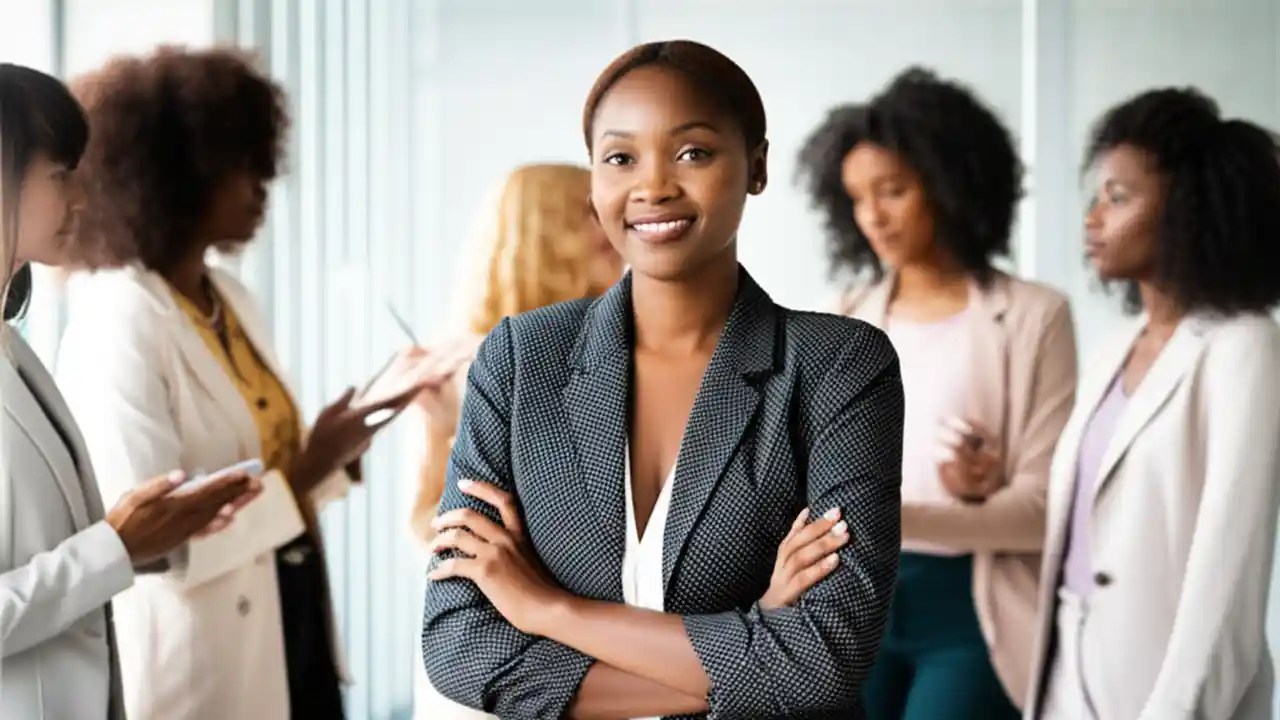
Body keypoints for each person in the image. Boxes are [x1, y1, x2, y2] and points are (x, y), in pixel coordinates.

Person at [422, 40, 904, 719]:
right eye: (621, 158)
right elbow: (459, 648)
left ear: (756, 166)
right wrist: (756, 640)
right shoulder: (521, 358)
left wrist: (544, 607)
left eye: (693, 153)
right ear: (593, 182)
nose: (653, 186)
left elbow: (825, 660)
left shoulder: (838, 365)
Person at [54, 48, 428, 720]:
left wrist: (338, 445)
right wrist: (312, 467)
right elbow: (151, 541)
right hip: (201, 661)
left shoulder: (229, 296)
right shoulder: (120, 316)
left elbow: (267, 464)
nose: (261, 186)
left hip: (293, 613)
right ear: (176, 176)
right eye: (242, 167)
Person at [796, 68, 1077, 718]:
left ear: (950, 183)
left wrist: (888, 515)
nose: (874, 216)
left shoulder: (1036, 317)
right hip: (848, 607)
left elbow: (1042, 513)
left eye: (893, 190)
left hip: (971, 615)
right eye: (857, 197)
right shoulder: (838, 317)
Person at [0, 62, 259, 720]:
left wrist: (142, 537)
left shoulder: (14, 347)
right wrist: (115, 546)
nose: (81, 200)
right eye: (61, 175)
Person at [1025, 88, 1280, 719]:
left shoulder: (1244, 348)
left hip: (1161, 689)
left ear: (1191, 208)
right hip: (1065, 672)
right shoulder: (1116, 347)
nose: (1093, 218)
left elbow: (1228, 592)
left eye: (1118, 197)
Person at [408, 162, 623, 544]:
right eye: (592, 212)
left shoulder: (619, 349)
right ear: (545, 234)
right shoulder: (464, 369)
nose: (618, 225)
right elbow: (432, 529)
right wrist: (450, 430)